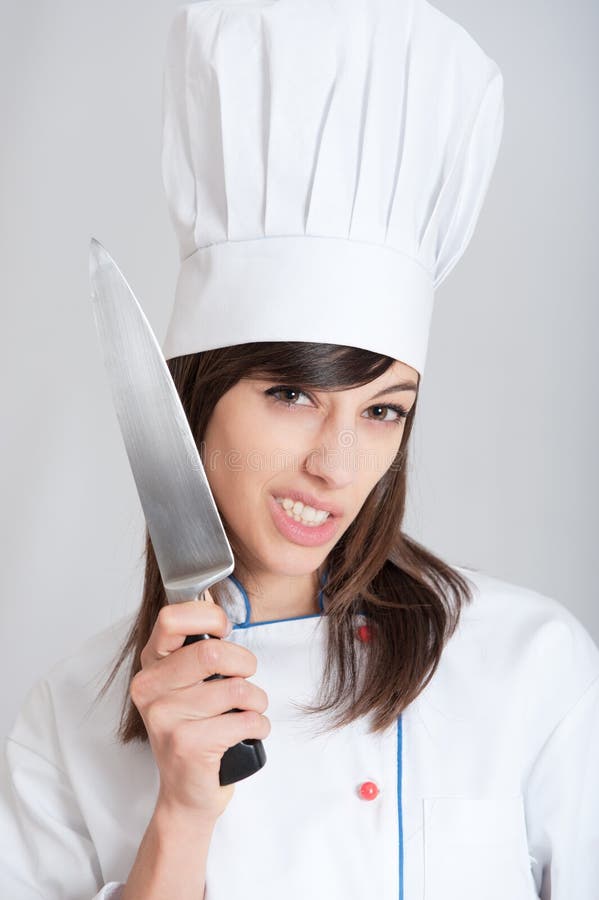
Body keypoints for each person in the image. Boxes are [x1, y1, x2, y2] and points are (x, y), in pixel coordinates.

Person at [1, 1, 598, 898]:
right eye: (291, 394)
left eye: (383, 411)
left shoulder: (527, 662)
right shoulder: (72, 714)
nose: (339, 465)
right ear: (196, 398)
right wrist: (181, 819)